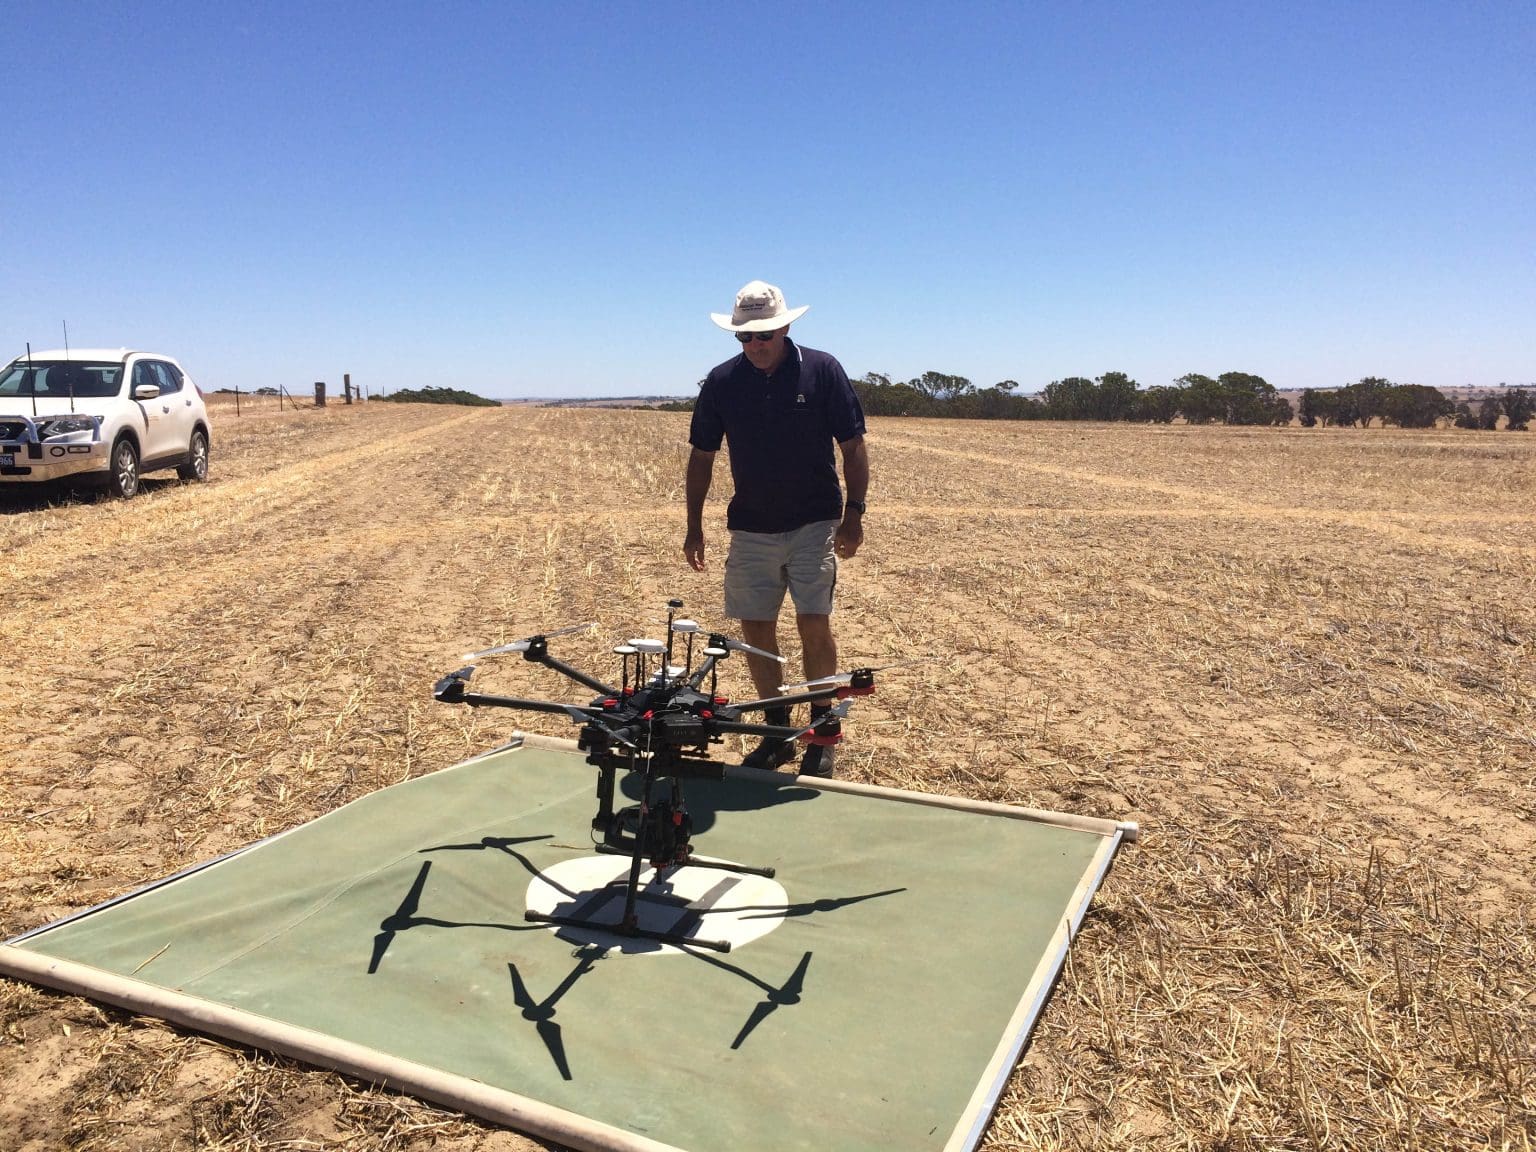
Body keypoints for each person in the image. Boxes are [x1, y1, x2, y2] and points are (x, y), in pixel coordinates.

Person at [684, 280, 869, 777]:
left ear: (785, 326)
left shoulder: (823, 370)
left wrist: (854, 514)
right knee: (756, 631)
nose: (755, 345)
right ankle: (776, 730)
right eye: (744, 337)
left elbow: (853, 446)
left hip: (814, 522)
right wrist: (694, 526)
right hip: (751, 528)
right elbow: (702, 456)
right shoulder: (722, 383)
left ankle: (822, 732)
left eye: (763, 334)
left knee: (814, 621)